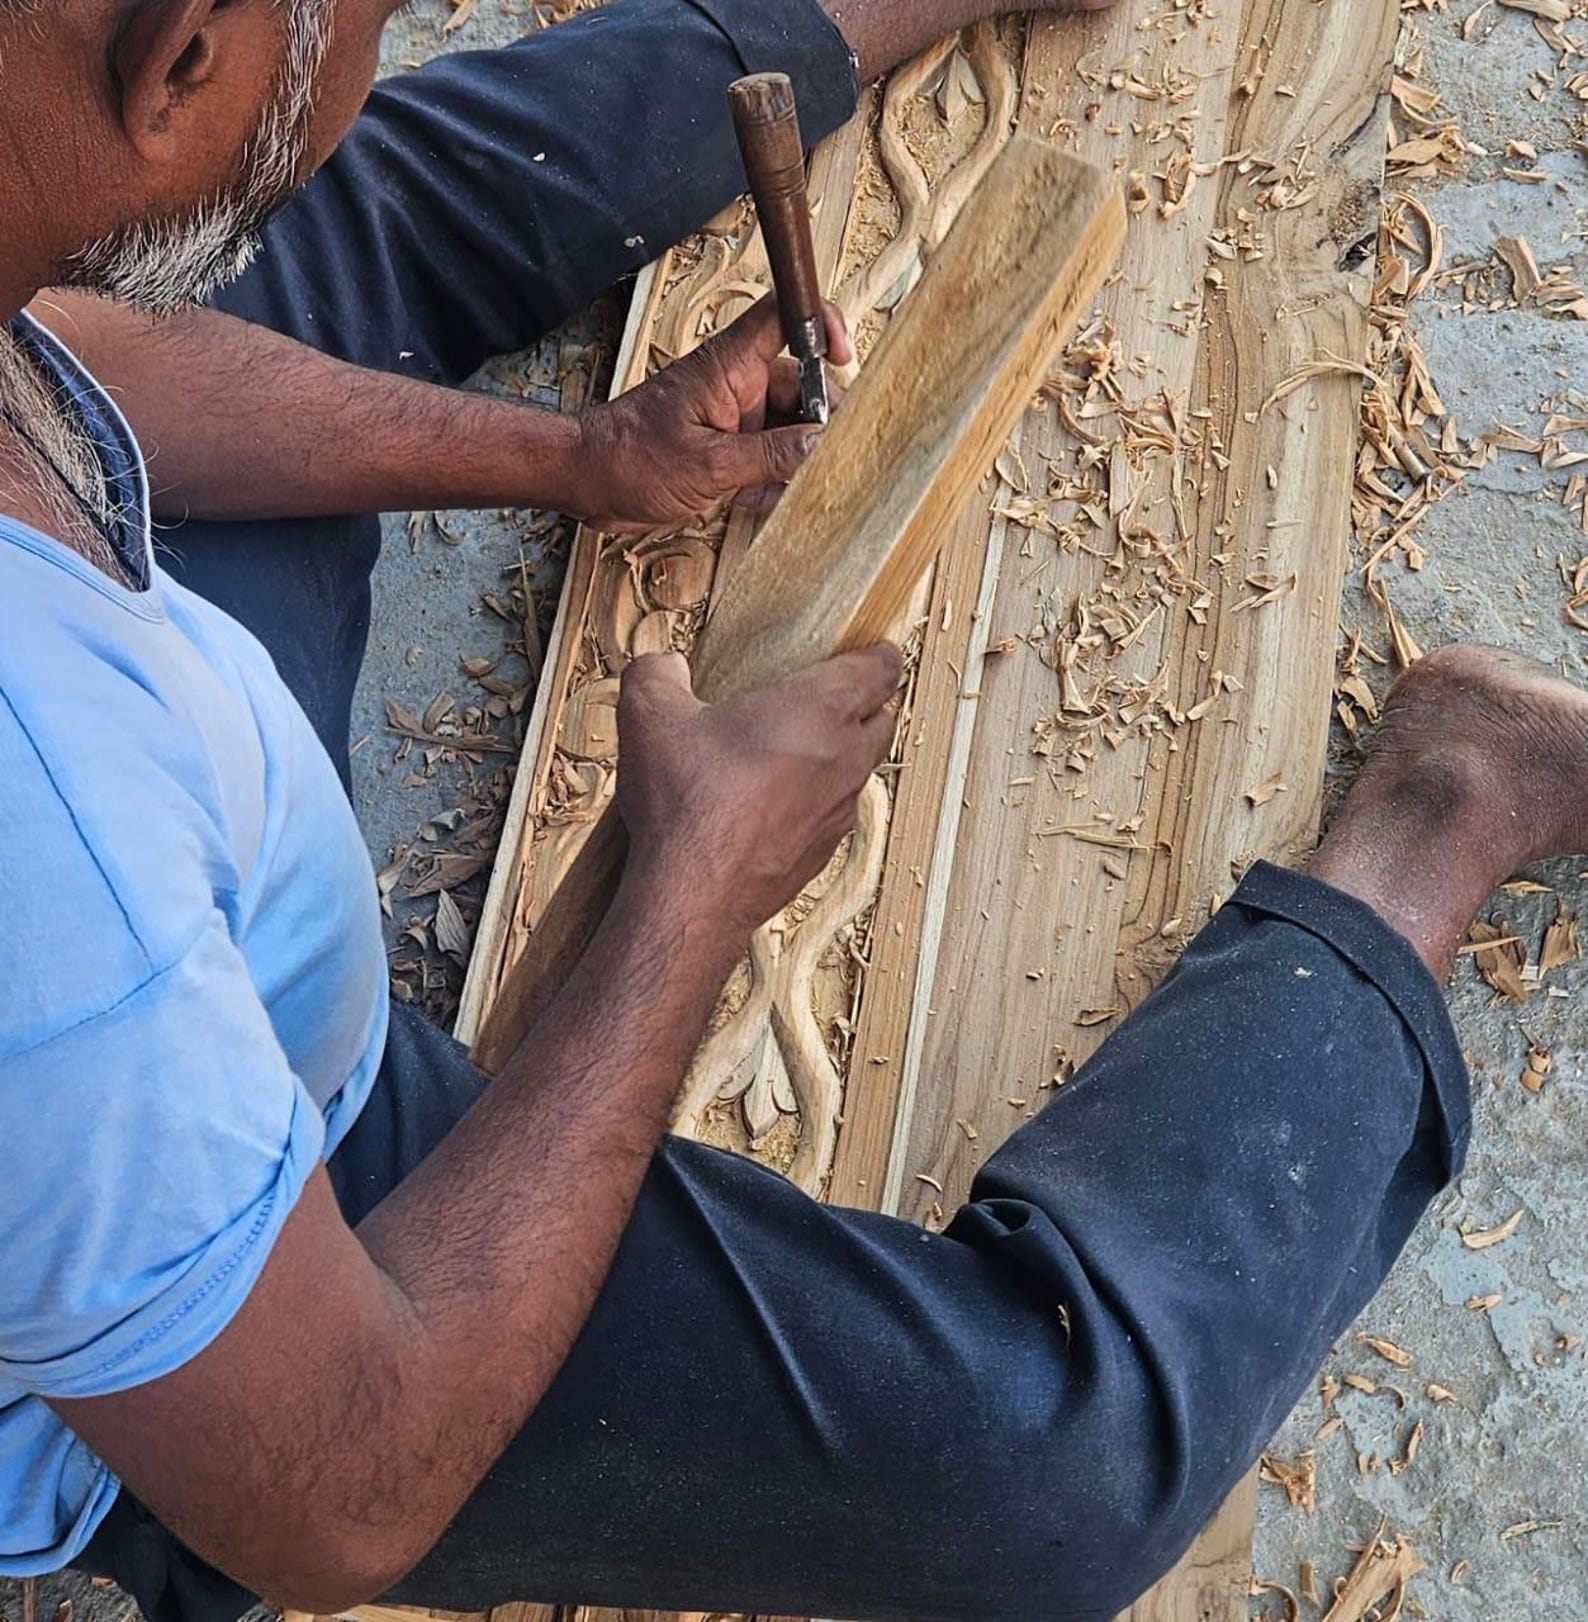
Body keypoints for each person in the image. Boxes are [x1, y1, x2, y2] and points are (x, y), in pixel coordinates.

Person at [0, 0, 1577, 1617]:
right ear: (177, 53)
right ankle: (1448, 808)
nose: (384, 27)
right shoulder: (65, 890)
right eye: (359, 12)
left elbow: (85, 348)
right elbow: (340, 1494)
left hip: (167, 765)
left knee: (306, 213)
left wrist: (579, 455)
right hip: (271, 1283)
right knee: (1043, 1465)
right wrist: (694, 892)